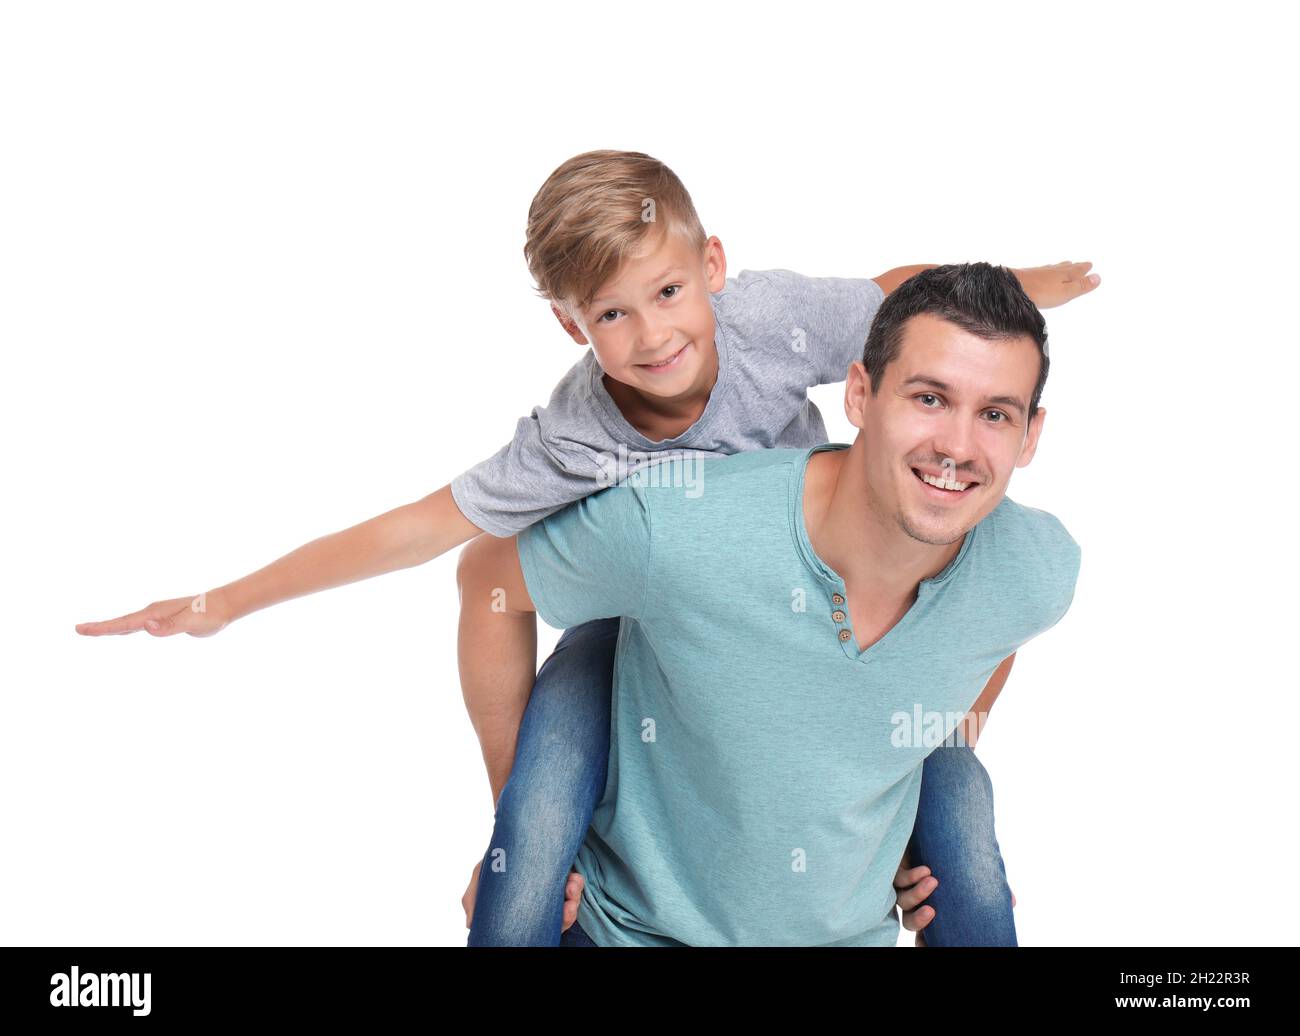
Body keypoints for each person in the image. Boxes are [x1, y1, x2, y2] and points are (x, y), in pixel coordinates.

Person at [73, 150, 1098, 945]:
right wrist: (226, 601)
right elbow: (428, 536)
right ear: (572, 327)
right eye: (612, 313)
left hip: (820, 600)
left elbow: (906, 302)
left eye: (667, 293)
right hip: (638, 621)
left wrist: (1032, 280)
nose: (654, 337)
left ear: (713, 267)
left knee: (966, 851)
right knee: (524, 862)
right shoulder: (579, 435)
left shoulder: (775, 324)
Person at [465, 262, 1082, 946]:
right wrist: (518, 839)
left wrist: (909, 787)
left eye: (995, 413)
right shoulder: (676, 527)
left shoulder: (1035, 567)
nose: (957, 448)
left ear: (1030, 436)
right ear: (859, 394)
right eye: (929, 398)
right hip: (630, 931)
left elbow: (994, 632)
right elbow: (490, 582)